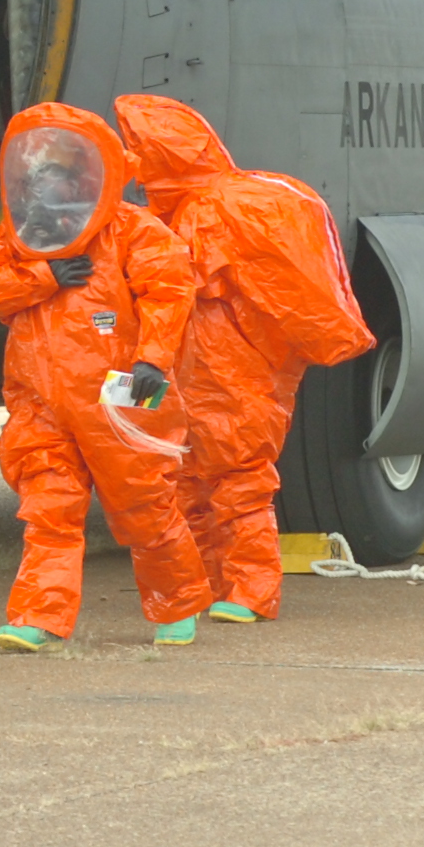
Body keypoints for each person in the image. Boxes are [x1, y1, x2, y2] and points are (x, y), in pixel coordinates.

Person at [113, 94, 375, 625]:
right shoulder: (209, 207)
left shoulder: (208, 212)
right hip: (206, 372)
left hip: (227, 373)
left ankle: (251, 591)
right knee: (197, 483)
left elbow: (181, 282)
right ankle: (216, 587)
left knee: (235, 481)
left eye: (138, 153)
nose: (132, 168)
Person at [0, 102, 215, 650]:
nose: (48, 189)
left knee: (147, 506)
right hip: (41, 400)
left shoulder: (132, 231)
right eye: (39, 178)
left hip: (122, 391)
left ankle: (177, 604)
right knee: (48, 510)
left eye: (61, 177)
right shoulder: (21, 239)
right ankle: (37, 619)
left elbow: (170, 290)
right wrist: (43, 276)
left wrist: (152, 360)